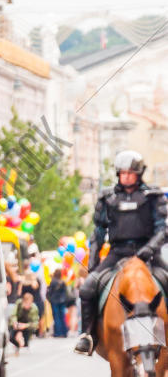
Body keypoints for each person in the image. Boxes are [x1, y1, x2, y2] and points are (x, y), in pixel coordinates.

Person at [76, 150, 168, 353]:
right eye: (122, 173)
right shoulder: (107, 197)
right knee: (88, 288)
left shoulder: (153, 196)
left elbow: (163, 229)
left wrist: (148, 249)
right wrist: (93, 263)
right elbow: (98, 232)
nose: (126, 176)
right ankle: (88, 335)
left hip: (148, 254)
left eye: (130, 173)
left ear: (139, 173)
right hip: (118, 253)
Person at [46, 266, 71, 337]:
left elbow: (49, 292)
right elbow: (66, 293)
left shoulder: (53, 282)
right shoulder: (63, 282)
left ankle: (58, 333)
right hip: (62, 301)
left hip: (54, 301)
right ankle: (64, 332)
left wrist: (49, 299)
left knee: (56, 317)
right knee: (62, 316)